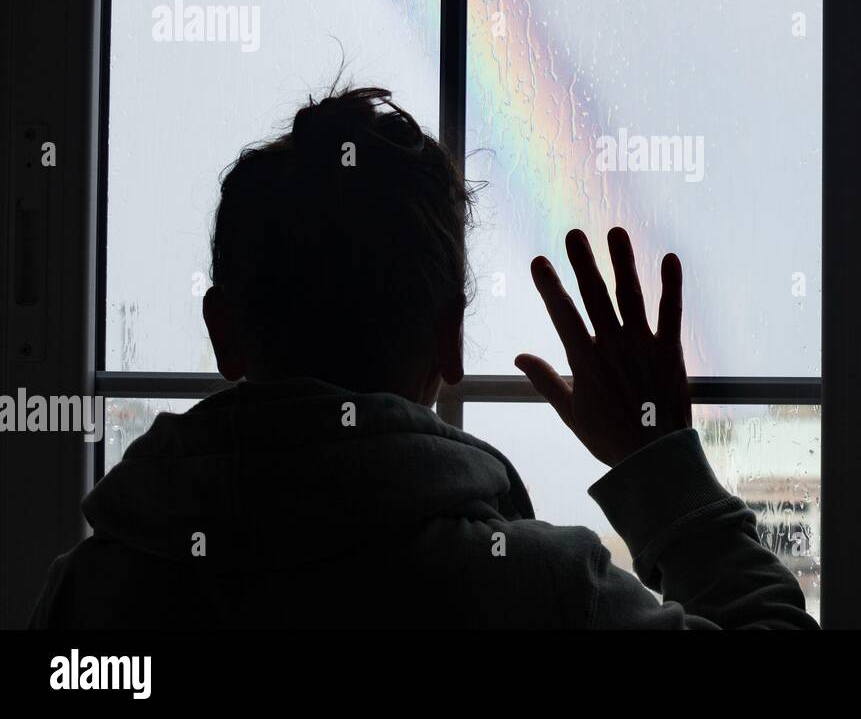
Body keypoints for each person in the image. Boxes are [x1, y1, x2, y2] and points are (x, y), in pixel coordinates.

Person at [30, 86, 817, 629]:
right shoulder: (540, 595)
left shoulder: (88, 596)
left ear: (222, 331)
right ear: (450, 336)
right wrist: (662, 467)